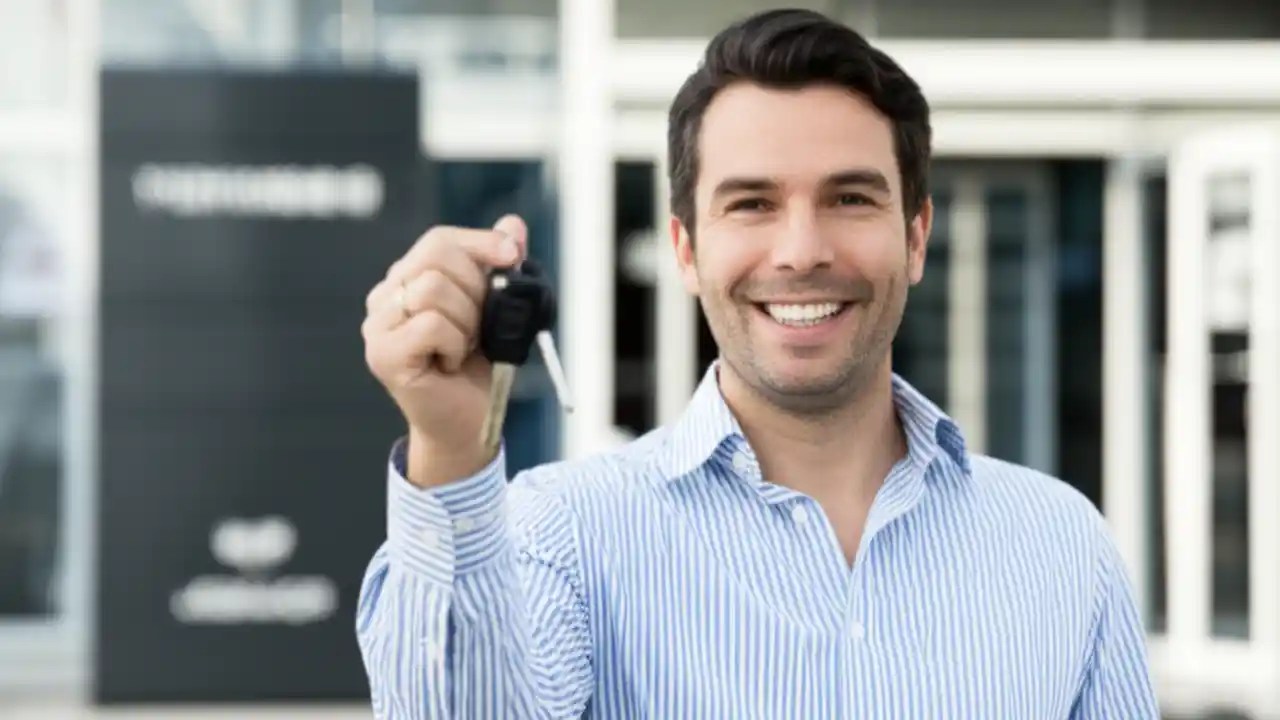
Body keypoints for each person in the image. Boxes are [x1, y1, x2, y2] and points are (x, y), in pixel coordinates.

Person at [355, 8, 1159, 718]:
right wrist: (454, 455)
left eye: (850, 198)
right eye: (752, 204)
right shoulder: (565, 540)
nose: (802, 251)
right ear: (686, 249)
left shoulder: (1061, 547)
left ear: (915, 237)